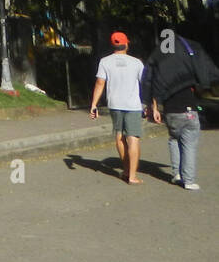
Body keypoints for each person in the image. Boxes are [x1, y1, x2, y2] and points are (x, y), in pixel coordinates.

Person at [144, 31, 219, 191]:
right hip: (188, 110)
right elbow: (207, 71)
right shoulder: (187, 54)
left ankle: (176, 173)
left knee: (174, 139)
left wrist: (154, 108)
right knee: (189, 143)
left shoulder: (158, 58)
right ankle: (189, 179)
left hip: (170, 111)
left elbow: (152, 81)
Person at [90, 32, 146, 185]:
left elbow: (100, 83)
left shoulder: (105, 62)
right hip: (133, 105)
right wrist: (148, 104)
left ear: (112, 45)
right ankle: (133, 176)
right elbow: (145, 84)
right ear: (127, 44)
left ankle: (126, 170)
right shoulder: (137, 63)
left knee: (119, 136)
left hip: (114, 104)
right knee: (133, 138)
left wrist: (94, 104)